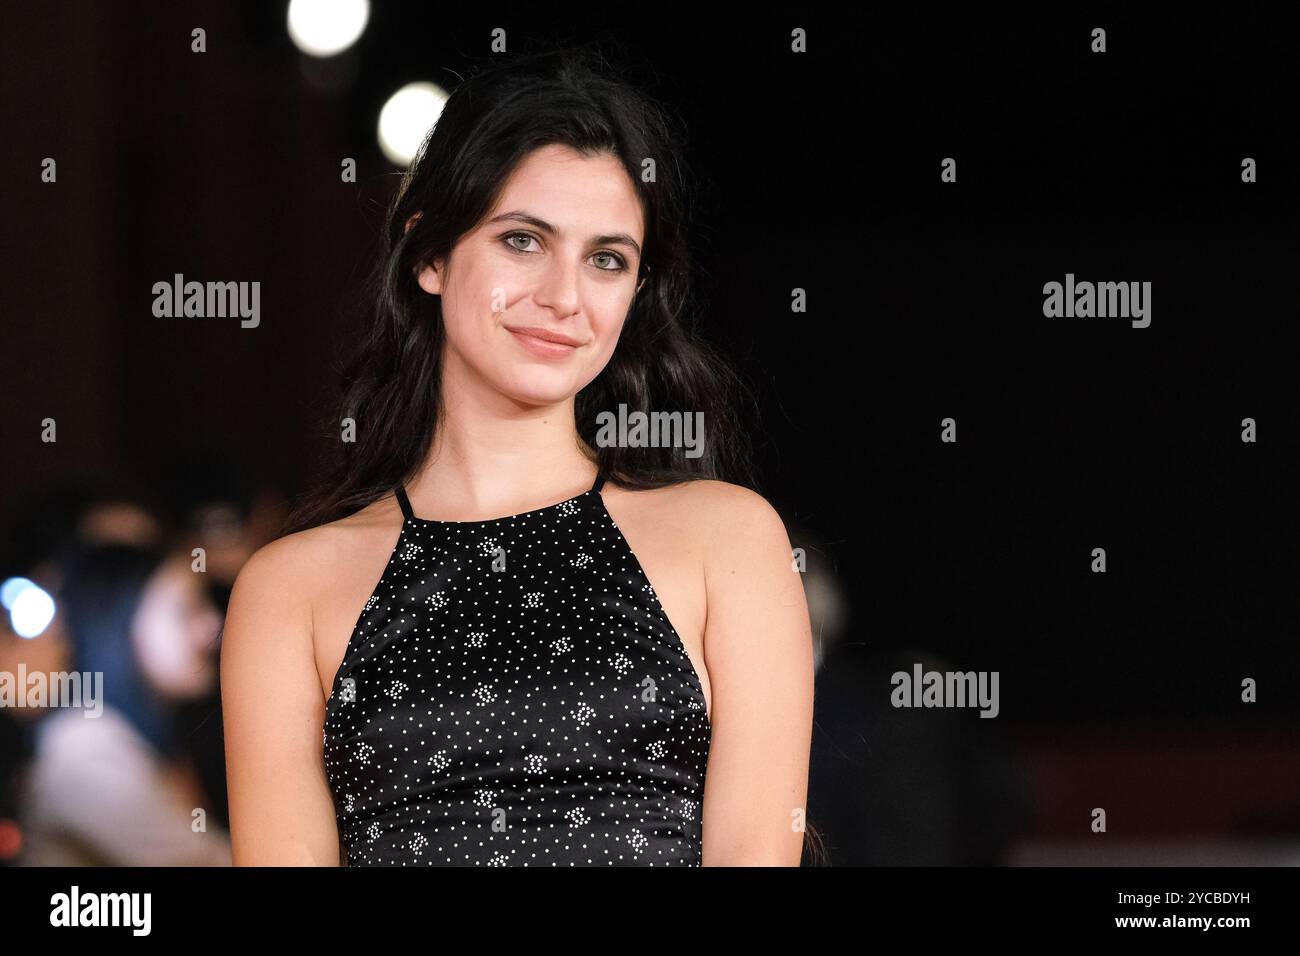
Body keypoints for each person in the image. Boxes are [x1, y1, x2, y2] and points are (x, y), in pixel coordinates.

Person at [221, 42, 814, 866]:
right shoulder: (290, 592)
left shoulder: (729, 542)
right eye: (524, 241)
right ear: (429, 253)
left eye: (607, 259)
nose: (564, 297)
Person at [16, 542, 231, 865]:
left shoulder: (138, 735)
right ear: (120, 621)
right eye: (188, 609)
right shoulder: (83, 747)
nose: (214, 625)